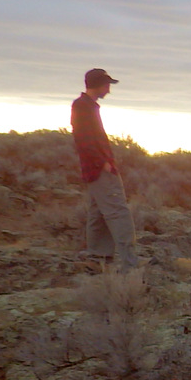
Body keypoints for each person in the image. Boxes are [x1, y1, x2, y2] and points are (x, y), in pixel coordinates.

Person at [71, 68, 138, 269]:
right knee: (118, 212)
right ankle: (131, 264)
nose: (108, 90)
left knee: (98, 212)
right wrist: (103, 163)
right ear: (98, 84)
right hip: (98, 169)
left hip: (94, 168)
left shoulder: (87, 106)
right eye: (107, 85)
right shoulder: (83, 106)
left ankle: (98, 257)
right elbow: (83, 139)